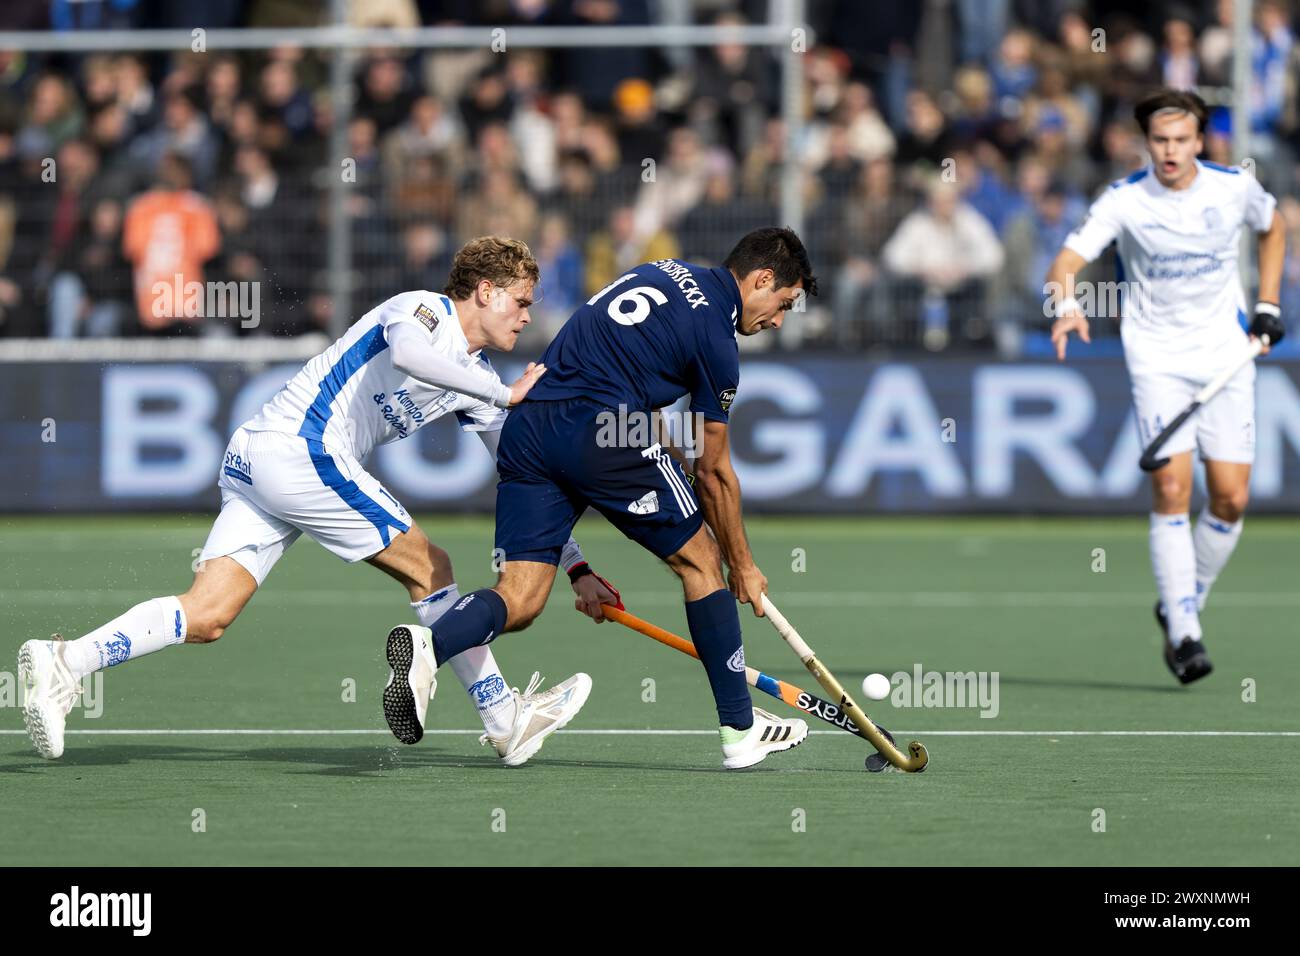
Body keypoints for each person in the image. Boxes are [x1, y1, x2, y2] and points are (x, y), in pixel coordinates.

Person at [20, 236, 617, 765]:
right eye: (521, 300)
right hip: (297, 450)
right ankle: (502, 718)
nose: (526, 315)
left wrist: (574, 565)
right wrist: (504, 391)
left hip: (265, 460)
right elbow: (410, 355)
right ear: (485, 291)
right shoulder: (422, 311)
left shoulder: (479, 382)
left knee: (207, 616)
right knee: (431, 567)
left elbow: (520, 477)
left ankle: (65, 662)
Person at [398, 227, 817, 770]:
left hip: (530, 427)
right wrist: (744, 565)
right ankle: (740, 729)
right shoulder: (718, 338)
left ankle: (430, 648)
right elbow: (715, 472)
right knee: (701, 561)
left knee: (520, 599)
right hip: (602, 428)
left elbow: (638, 381)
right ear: (761, 279)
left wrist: (667, 467)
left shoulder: (663, 271)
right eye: (782, 303)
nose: (779, 320)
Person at [1046, 89, 1287, 684]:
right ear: (1147, 143)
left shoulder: (1233, 187)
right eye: (1160, 140)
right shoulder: (1125, 201)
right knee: (1173, 485)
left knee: (1230, 498)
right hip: (1156, 358)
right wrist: (1065, 303)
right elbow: (1066, 261)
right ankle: (1184, 629)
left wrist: (1268, 303)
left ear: (1200, 141)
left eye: (1181, 140)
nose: (1171, 150)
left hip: (1228, 356)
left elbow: (1274, 226)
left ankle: (1184, 596)